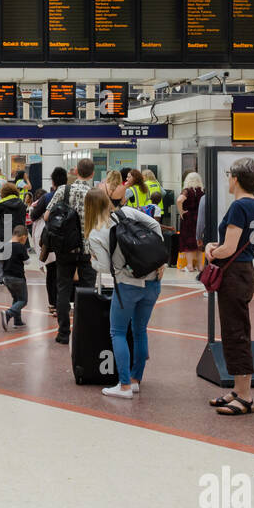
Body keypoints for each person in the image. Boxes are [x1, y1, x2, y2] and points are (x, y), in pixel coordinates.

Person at [84, 186, 164, 399]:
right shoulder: (126, 212)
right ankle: (136, 380)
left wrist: (92, 262)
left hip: (127, 286)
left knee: (118, 332)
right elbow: (155, 224)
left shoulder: (96, 232)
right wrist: (158, 258)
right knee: (140, 330)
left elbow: (103, 266)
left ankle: (125, 385)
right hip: (153, 282)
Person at [205, 159, 254, 416]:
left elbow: (228, 247)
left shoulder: (239, 206)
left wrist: (210, 251)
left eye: (230, 174)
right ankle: (239, 390)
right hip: (245, 271)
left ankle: (246, 396)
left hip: (234, 274)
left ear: (236, 179)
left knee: (235, 331)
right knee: (236, 329)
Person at [48, 158, 97, 344]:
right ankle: (83, 333)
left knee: (63, 289)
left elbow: (47, 214)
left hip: (65, 248)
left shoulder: (63, 190)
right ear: (92, 174)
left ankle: (63, 333)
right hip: (87, 250)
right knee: (87, 290)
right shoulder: (96, 194)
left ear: (76, 172)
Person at [32, 167, 67, 318]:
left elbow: (34, 215)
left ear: (52, 182)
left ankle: (53, 304)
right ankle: (66, 302)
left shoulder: (48, 197)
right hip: (69, 239)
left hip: (52, 238)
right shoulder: (72, 194)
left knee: (52, 272)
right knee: (66, 272)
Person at [0, 179, 27, 289]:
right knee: (17, 258)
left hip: (1, 235)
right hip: (17, 235)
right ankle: (17, 277)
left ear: (3, 193)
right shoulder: (22, 205)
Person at [1, 224, 31, 331]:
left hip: (6, 277)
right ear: (23, 237)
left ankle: (17, 321)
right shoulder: (20, 246)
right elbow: (27, 262)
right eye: (26, 239)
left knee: (16, 298)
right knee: (23, 300)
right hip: (18, 277)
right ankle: (8, 314)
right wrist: (25, 251)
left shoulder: (5, 245)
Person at [177, 172, 205, 272]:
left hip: (188, 218)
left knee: (188, 242)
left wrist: (181, 212)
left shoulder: (186, 191)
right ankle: (200, 266)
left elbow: (179, 200)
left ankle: (189, 266)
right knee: (198, 241)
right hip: (200, 217)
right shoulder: (202, 191)